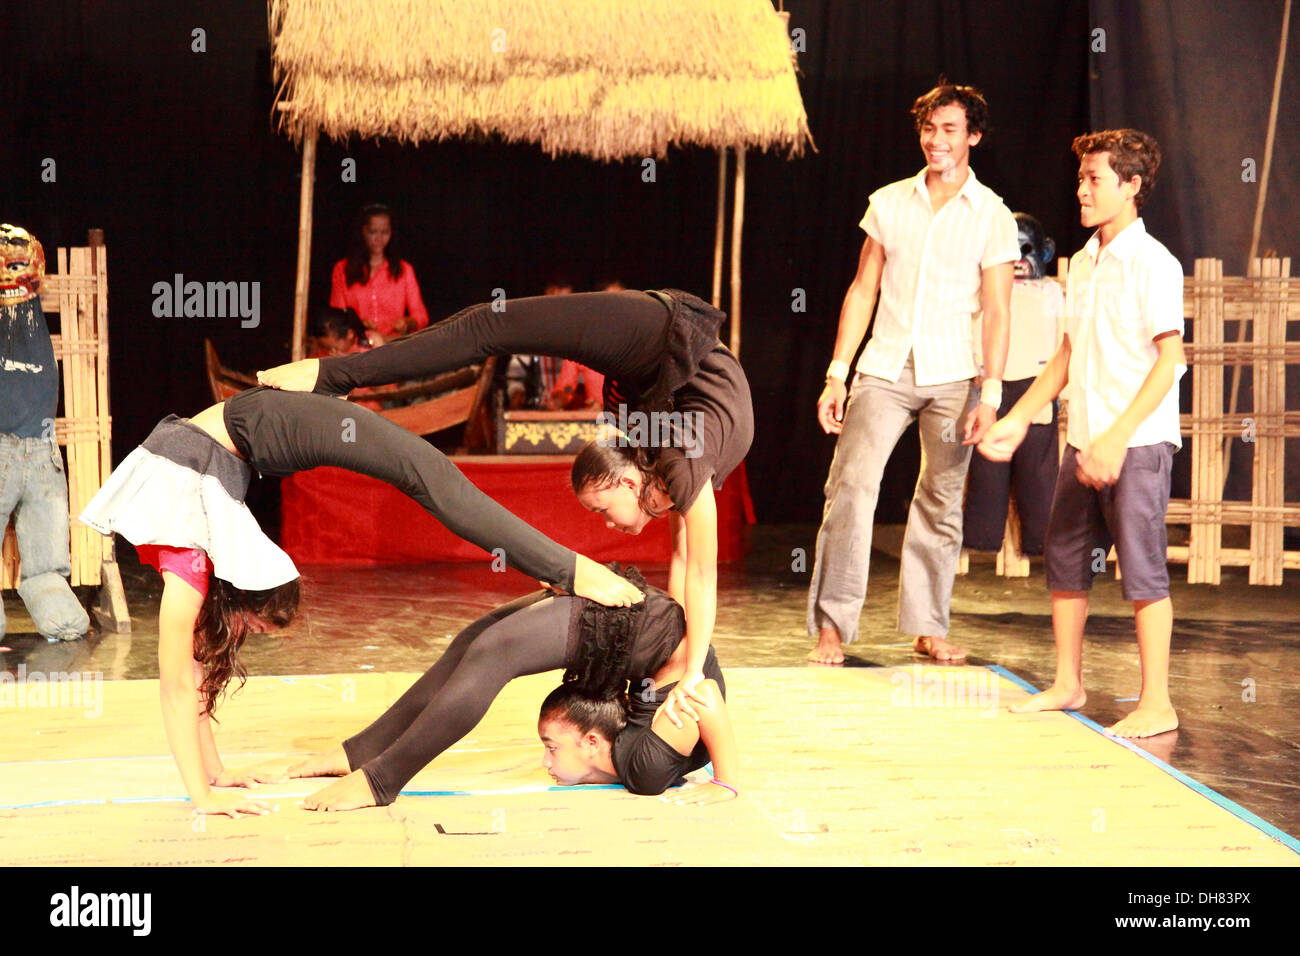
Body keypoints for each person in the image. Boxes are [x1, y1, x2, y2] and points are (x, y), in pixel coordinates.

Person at [78, 389, 645, 816]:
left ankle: (567, 567)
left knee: (432, 476)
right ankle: (566, 569)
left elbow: (185, 680)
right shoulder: (195, 558)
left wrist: (213, 780)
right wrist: (205, 790)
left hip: (249, 430)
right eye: (262, 627)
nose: (253, 636)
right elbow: (181, 679)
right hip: (248, 429)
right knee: (429, 473)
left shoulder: (197, 558)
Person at [256, 288, 753, 717]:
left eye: (597, 512)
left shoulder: (674, 471)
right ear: (627, 484)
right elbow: (699, 571)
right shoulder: (681, 464)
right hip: (660, 335)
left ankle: (341, 376)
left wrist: (685, 661)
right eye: (601, 512)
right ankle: (336, 374)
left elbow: (688, 562)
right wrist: (690, 671)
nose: (606, 525)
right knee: (489, 323)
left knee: (487, 324)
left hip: (668, 378)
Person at [979, 129, 1184, 739]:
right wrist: (1018, 417)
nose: (1083, 190)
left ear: (1132, 185)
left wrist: (1119, 437)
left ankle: (1158, 702)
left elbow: (1169, 360)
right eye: (1080, 179)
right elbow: (1068, 352)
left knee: (1142, 569)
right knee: (1065, 560)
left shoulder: (1154, 264)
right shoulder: (1087, 261)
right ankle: (1069, 682)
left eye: (1095, 179)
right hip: (1084, 437)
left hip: (1137, 440)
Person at [807, 83, 1017, 665]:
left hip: (955, 374)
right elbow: (863, 288)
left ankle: (928, 625)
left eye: (950, 129)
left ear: (972, 136)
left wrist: (991, 393)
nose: (936, 140)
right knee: (850, 487)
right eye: (929, 128)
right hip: (885, 363)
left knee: (941, 499)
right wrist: (836, 373)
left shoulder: (992, 214)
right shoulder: (889, 202)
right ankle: (831, 626)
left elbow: (999, 308)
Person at [274, 567, 738, 810]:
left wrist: (722, 783)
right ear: (593, 741)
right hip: (644, 632)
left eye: (551, 748)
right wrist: (727, 783)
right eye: (550, 749)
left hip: (646, 636)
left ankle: (378, 775)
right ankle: (368, 762)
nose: (545, 761)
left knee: (487, 646)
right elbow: (709, 699)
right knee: (481, 644)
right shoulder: (646, 765)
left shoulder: (642, 757)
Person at [0, 223, 90, 643]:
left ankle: (54, 604)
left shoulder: (29, 306)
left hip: (42, 451)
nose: (16, 273)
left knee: (48, 558)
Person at [963, 213, 1064, 556]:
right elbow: (978, 329)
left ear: (1045, 252)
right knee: (987, 466)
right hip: (992, 384)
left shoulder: (1051, 292)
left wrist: (1062, 391)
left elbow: (1064, 339)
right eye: (1009, 251)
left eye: (1026, 249)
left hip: (1037, 384)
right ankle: (982, 535)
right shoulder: (986, 292)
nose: (1019, 260)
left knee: (1039, 471)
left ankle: (1040, 538)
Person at [330, 203, 429, 340]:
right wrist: (360, 324)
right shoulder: (343, 269)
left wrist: (407, 323)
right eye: (373, 232)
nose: (379, 239)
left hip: (393, 344)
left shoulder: (404, 270)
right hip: (357, 345)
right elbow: (337, 317)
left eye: (384, 232)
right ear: (362, 231)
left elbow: (421, 316)